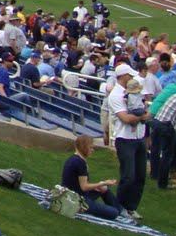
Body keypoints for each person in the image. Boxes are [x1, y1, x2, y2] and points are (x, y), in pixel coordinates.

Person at [105, 64, 149, 223]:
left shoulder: (133, 90)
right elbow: (125, 118)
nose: (131, 78)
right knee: (128, 175)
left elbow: (141, 109)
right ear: (122, 76)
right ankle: (120, 206)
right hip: (125, 139)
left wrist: (141, 115)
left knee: (140, 175)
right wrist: (142, 117)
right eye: (129, 76)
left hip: (139, 138)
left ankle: (131, 207)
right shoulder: (116, 95)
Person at [61, 135, 121, 220]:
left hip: (71, 193)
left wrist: (100, 186)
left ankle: (120, 210)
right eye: (90, 148)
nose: (92, 150)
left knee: (103, 188)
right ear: (84, 147)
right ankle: (117, 211)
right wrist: (104, 183)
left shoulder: (73, 158)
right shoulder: (80, 163)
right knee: (114, 213)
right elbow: (84, 187)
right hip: (77, 199)